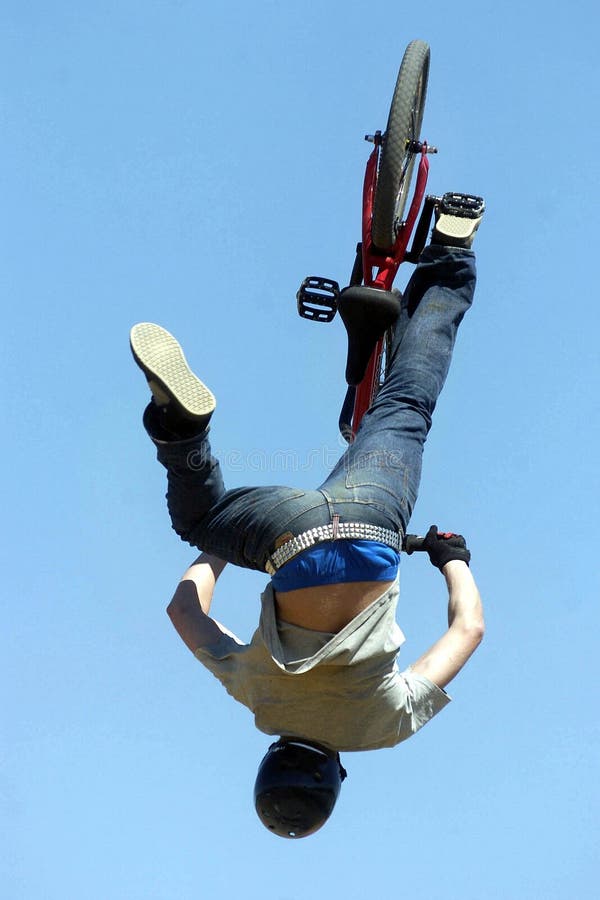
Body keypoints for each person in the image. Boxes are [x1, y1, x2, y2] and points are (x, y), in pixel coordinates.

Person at [130, 195, 485, 839]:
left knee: (407, 400)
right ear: (268, 761)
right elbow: (183, 611)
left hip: (374, 526)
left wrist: (451, 557)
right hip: (287, 532)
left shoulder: (381, 729)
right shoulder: (256, 701)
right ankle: (181, 433)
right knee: (196, 518)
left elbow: (469, 630)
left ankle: (453, 248)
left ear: (333, 779)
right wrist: (220, 546)